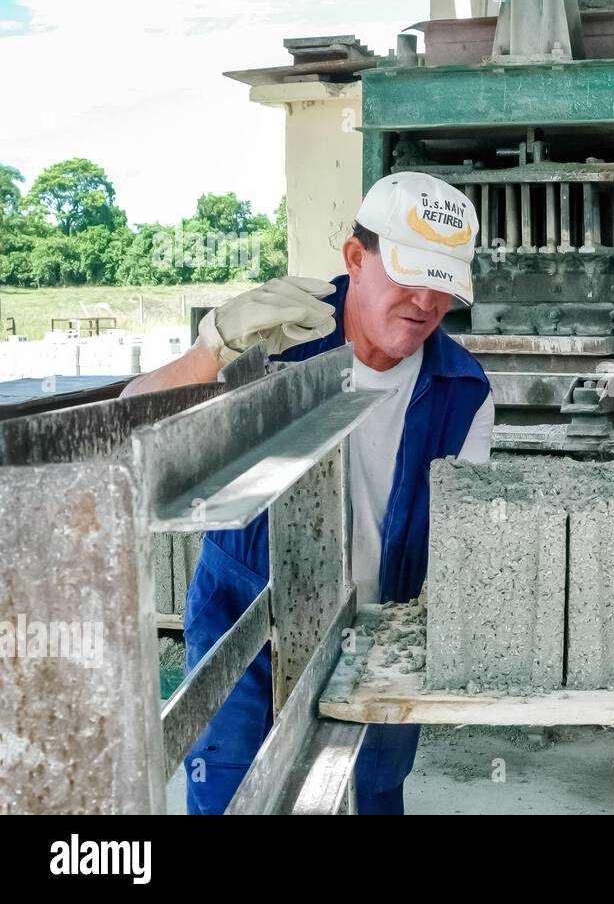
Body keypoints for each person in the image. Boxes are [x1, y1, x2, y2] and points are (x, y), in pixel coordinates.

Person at [123, 172, 494, 814]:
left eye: (442, 286)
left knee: (371, 793)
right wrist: (216, 350)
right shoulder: (277, 344)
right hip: (247, 616)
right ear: (355, 258)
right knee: (234, 792)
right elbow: (130, 428)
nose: (425, 303)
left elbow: (467, 538)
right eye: (409, 277)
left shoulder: (463, 389)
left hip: (376, 631)